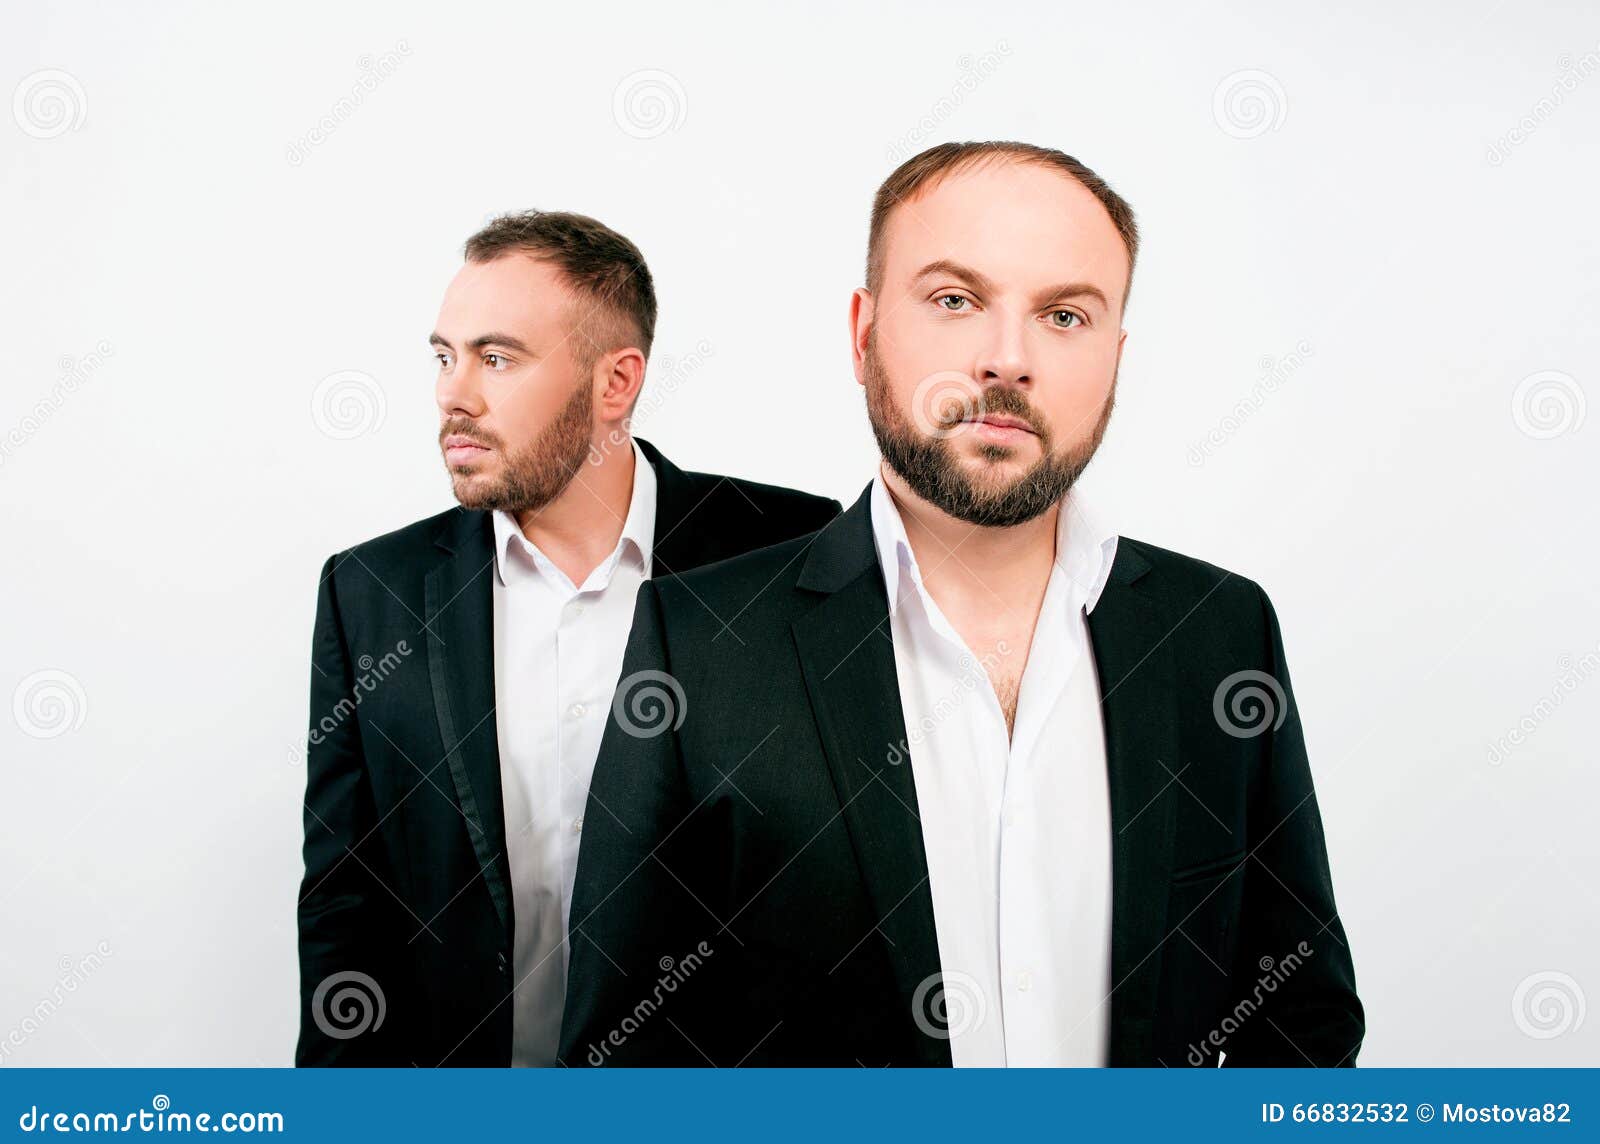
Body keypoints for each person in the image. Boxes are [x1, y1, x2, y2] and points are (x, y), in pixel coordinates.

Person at [559, 143, 1363, 1067]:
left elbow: (1301, 1015)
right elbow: (618, 1064)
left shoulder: (1219, 630)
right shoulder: (697, 638)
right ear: (862, 336)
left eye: (1065, 315)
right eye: (955, 300)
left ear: (1114, 357)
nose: (1007, 359)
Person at [296, 211, 841, 1066]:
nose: (453, 394)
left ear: (615, 383)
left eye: (497, 358)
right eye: (445, 357)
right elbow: (343, 904)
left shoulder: (787, 552)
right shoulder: (373, 594)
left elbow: (834, 883)